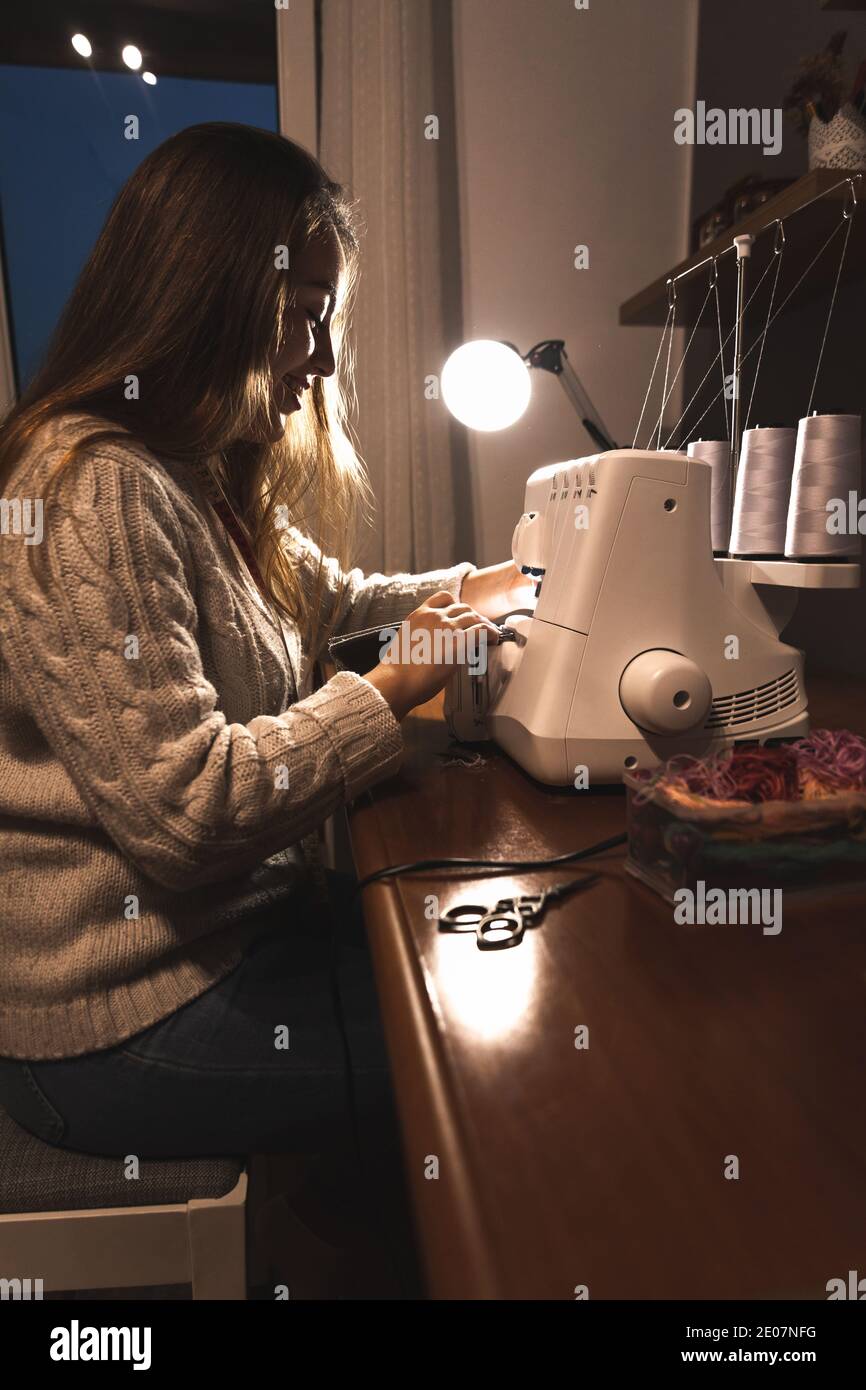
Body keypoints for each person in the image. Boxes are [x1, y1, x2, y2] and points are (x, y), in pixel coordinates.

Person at [0, 123, 530, 1296]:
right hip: (109, 1023)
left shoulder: (193, 469)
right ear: (211, 295)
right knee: (482, 1070)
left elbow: (331, 598)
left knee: (449, 966)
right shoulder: (92, 489)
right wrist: (396, 683)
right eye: (306, 316)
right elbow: (185, 816)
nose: (322, 361)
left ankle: (370, 1233)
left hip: (219, 952)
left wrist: (494, 582)